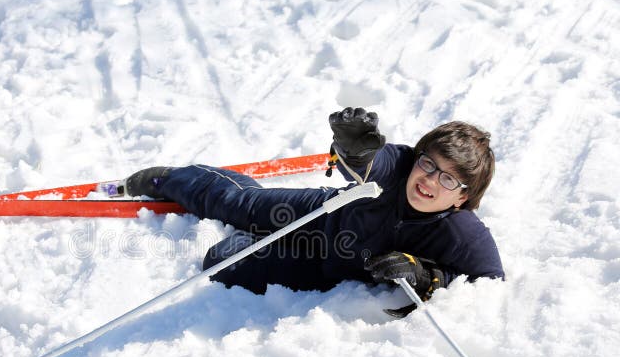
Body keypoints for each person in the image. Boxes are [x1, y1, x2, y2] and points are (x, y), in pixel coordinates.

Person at [123, 107, 504, 312]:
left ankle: (258, 243)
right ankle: (173, 178)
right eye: (429, 164)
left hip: (329, 268)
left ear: (462, 198)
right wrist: (357, 151)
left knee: (221, 261)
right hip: (324, 216)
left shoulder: (463, 234)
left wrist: (425, 274)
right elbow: (374, 162)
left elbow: (489, 284)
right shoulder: (400, 165)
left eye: (449, 180)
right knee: (241, 204)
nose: (431, 180)